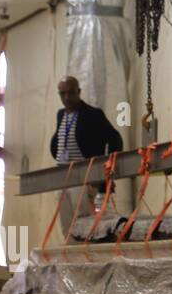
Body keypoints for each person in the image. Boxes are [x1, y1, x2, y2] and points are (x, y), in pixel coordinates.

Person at [50, 76, 123, 221]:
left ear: (79, 92)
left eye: (70, 93)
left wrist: (108, 168)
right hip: (63, 175)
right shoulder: (61, 115)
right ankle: (69, 243)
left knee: (84, 220)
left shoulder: (93, 114)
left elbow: (115, 139)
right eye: (62, 94)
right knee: (66, 221)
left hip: (85, 178)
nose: (67, 97)